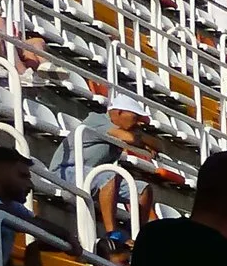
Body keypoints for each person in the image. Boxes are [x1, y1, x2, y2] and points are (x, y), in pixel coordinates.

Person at [51, 92, 153, 234]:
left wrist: (144, 140)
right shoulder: (98, 120)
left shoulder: (118, 128)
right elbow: (129, 138)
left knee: (143, 190)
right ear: (119, 112)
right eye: (135, 118)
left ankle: (138, 235)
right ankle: (112, 234)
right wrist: (143, 140)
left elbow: (157, 145)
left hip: (90, 175)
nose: (138, 123)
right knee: (109, 175)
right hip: (65, 172)